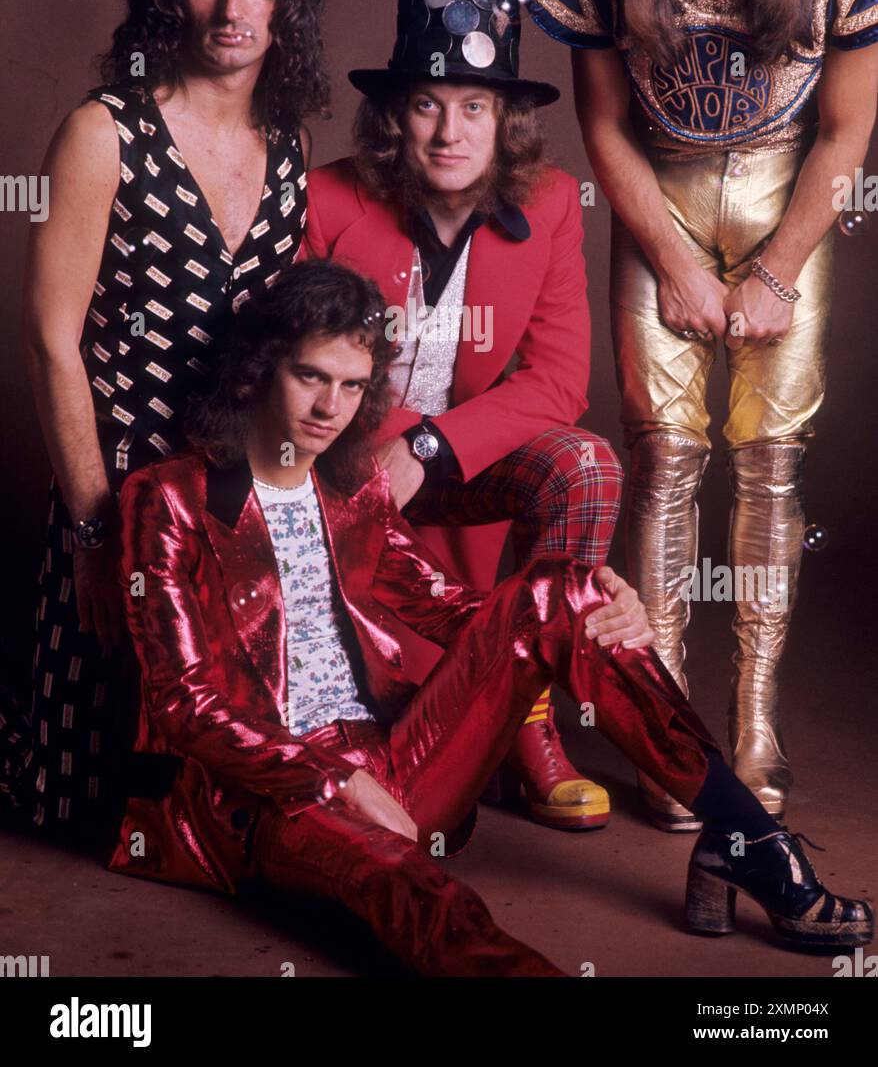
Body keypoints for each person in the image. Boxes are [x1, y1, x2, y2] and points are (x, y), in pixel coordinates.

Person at [107, 258, 872, 978]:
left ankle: (750, 843)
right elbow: (185, 706)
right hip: (272, 791)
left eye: (350, 385)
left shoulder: (353, 488)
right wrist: (335, 780)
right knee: (411, 888)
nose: (328, 409)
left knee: (565, 593)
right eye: (309, 376)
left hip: (395, 759)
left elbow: (454, 610)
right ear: (259, 369)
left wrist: (593, 608)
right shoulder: (168, 498)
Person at [495, 0, 878, 829]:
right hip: (655, 210)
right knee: (662, 453)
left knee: (769, 457)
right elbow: (606, 132)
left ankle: (754, 716)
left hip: (784, 216)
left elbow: (845, 134)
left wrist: (773, 270)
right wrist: (671, 260)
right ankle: (659, 724)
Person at [5, 0, 331, 841]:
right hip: (116, 485)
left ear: (286, 0)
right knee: (84, 804)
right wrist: (93, 534)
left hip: (220, 494)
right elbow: (52, 342)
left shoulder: (291, 146)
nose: (233, 8)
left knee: (223, 800)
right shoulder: (102, 132)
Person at [304, 0, 623, 831]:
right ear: (393, 115)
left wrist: (430, 447)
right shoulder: (327, 198)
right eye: (427, 105)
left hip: (462, 463)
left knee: (586, 462)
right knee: (407, 752)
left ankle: (531, 720)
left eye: (474, 106)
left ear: (506, 121)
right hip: (345, 465)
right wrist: (384, 447)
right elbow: (295, 368)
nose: (450, 132)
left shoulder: (553, 203)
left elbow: (560, 380)